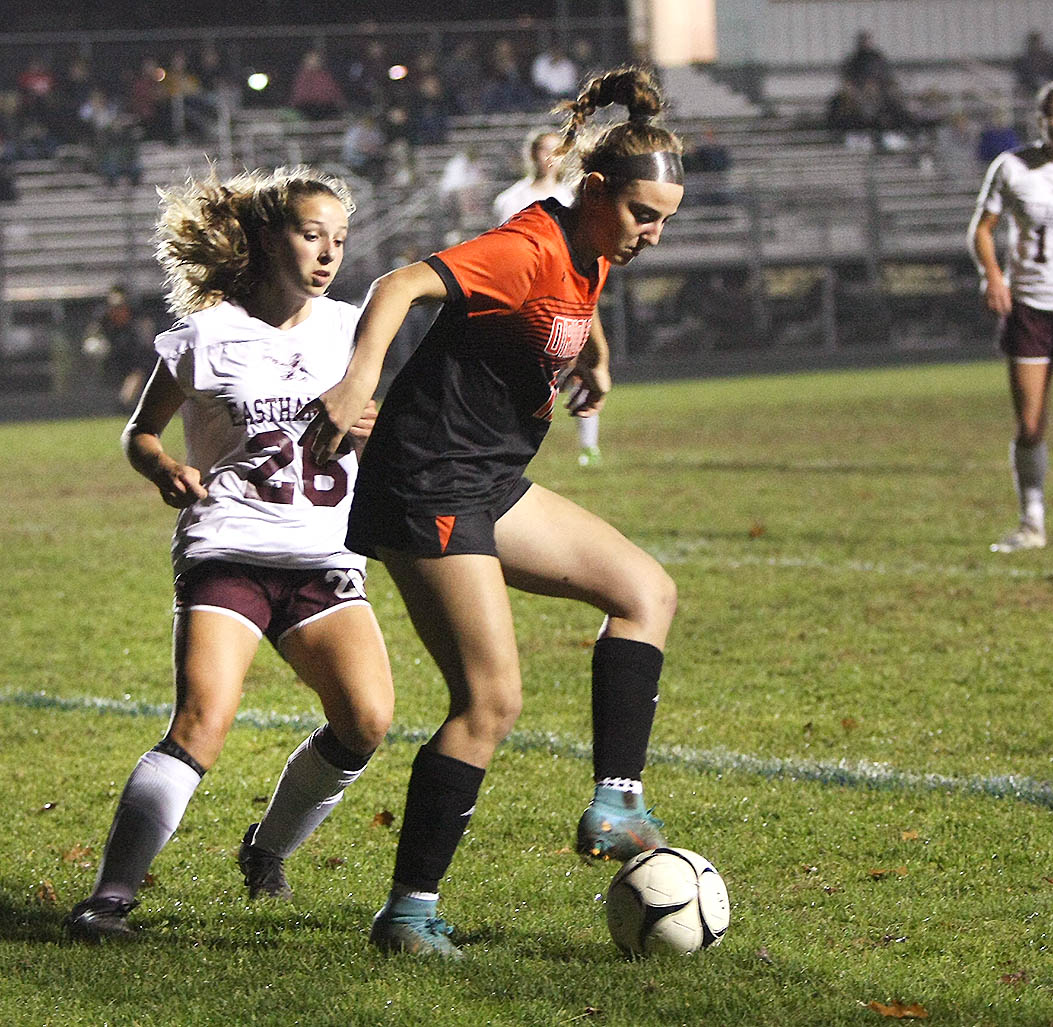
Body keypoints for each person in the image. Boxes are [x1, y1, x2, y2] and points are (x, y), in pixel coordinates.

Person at [301, 66, 683, 957]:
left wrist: (593, 355)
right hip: (427, 485)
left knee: (646, 591)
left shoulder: (587, 243)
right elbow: (400, 283)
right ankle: (407, 911)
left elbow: (571, 300)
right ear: (595, 191)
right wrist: (359, 380)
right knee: (490, 699)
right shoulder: (528, 245)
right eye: (642, 216)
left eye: (666, 219)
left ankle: (618, 799)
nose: (654, 236)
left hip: (488, 480)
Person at [63, 166, 394, 941]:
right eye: (312, 235)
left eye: (339, 239)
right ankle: (108, 899)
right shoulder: (207, 334)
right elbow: (139, 431)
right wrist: (161, 467)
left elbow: (380, 414)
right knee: (202, 723)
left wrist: (376, 425)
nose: (328, 253)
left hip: (322, 557)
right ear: (269, 236)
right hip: (230, 549)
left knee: (367, 721)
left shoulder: (352, 327)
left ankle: (266, 849)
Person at [968, 79, 1053, 553]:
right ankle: (1032, 523)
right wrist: (994, 277)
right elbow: (982, 230)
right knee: (1029, 424)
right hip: (1029, 305)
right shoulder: (1013, 167)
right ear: (1041, 121)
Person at [492, 128, 605, 468]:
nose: (550, 157)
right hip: (525, 301)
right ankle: (508, 448)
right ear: (532, 155)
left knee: (578, 368)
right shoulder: (510, 199)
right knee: (519, 378)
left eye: (557, 151)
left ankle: (589, 446)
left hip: (565, 296)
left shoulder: (572, 196)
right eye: (544, 150)